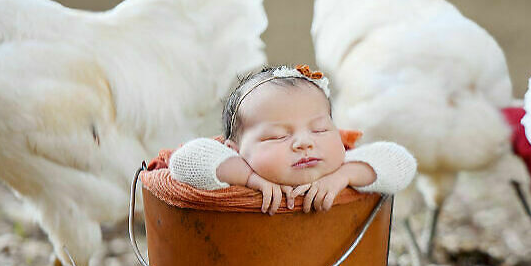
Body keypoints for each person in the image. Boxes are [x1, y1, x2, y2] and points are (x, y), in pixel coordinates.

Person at [169, 65, 416, 214]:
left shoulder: (343, 165)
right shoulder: (232, 170)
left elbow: (403, 163)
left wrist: (344, 175)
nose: (304, 143)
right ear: (236, 151)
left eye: (319, 130)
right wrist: (249, 178)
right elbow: (183, 162)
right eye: (278, 136)